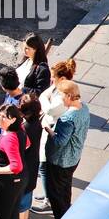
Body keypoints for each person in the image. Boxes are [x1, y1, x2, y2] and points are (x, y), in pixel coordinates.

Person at [42, 81, 90, 219]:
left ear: (69, 96)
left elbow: (59, 142)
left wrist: (48, 129)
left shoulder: (67, 118)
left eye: (62, 96)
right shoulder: (84, 108)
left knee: (55, 195)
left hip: (60, 161)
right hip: (74, 157)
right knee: (65, 190)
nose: (61, 99)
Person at [36, 57, 78, 210]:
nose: (51, 80)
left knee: (44, 165)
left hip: (53, 132)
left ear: (62, 79)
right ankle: (48, 194)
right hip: (49, 128)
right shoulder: (56, 88)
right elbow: (44, 96)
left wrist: (44, 99)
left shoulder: (63, 96)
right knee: (44, 165)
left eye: (53, 77)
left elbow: (49, 109)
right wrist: (44, 98)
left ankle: (49, 199)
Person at [16, 95, 44, 219]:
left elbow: (22, 148)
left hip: (25, 166)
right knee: (27, 196)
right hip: (33, 163)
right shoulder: (36, 123)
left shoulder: (25, 127)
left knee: (21, 199)